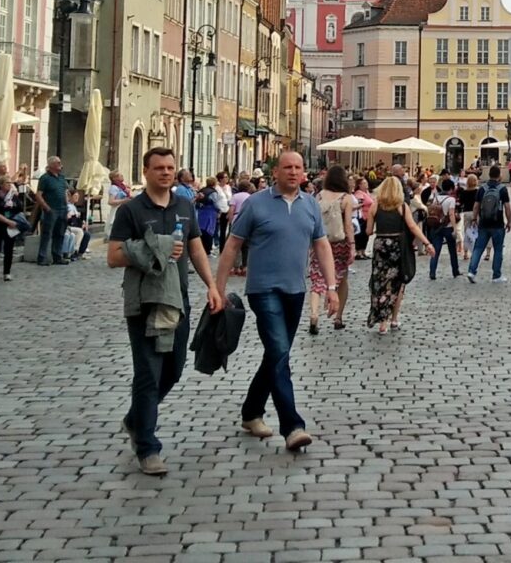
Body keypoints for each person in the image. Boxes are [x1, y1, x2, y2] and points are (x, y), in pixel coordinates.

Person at [109, 147, 223, 476]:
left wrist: (211, 286)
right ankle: (147, 446)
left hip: (178, 300)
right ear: (145, 171)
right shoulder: (131, 210)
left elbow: (196, 248)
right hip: (144, 302)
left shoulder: (185, 205)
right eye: (158, 167)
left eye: (170, 167)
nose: (165, 173)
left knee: (172, 369)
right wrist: (153, 247)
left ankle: (135, 420)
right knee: (148, 372)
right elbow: (114, 255)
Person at [213, 151, 337, 453]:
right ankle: (292, 426)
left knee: (275, 355)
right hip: (263, 289)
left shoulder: (310, 204)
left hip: (295, 290)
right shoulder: (256, 203)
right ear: (276, 172)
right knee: (280, 351)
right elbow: (232, 245)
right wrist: (217, 287)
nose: (293, 172)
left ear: (304, 172)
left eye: (298, 167)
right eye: (287, 167)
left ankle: (251, 413)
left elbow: (321, 244)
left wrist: (331, 286)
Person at [365, 176, 430, 333]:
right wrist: (427, 243)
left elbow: (368, 231)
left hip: (380, 245)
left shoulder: (375, 206)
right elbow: (413, 227)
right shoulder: (402, 206)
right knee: (397, 283)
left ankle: (381, 320)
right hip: (397, 246)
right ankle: (393, 319)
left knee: (380, 281)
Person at [310, 166, 357, 334]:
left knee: (317, 279)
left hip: (321, 241)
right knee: (342, 278)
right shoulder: (346, 198)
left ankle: (314, 315)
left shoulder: (319, 196)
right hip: (340, 243)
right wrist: (352, 246)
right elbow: (348, 225)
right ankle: (338, 317)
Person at [467, 166, 511, 283]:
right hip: (497, 223)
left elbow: (476, 205)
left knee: (478, 248)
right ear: (499, 175)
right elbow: (507, 207)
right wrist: (509, 221)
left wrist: (474, 218)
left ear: (489, 175)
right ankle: (496, 275)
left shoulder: (482, 188)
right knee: (498, 250)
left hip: (483, 223)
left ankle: (471, 271)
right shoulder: (502, 189)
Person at [423, 177, 461, 279]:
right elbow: (451, 214)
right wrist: (454, 228)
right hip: (447, 227)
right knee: (452, 250)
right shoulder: (451, 199)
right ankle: (455, 270)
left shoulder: (436, 197)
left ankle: (432, 272)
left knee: (436, 250)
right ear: (451, 189)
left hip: (437, 226)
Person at [35, 158, 69, 266]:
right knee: (47, 234)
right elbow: (39, 195)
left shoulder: (62, 178)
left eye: (60, 162)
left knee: (60, 234)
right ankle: (42, 257)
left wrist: (67, 205)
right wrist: (46, 208)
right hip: (51, 209)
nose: (60, 164)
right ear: (51, 165)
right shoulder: (45, 178)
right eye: (58, 163)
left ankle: (57, 256)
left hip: (62, 209)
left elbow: (65, 192)